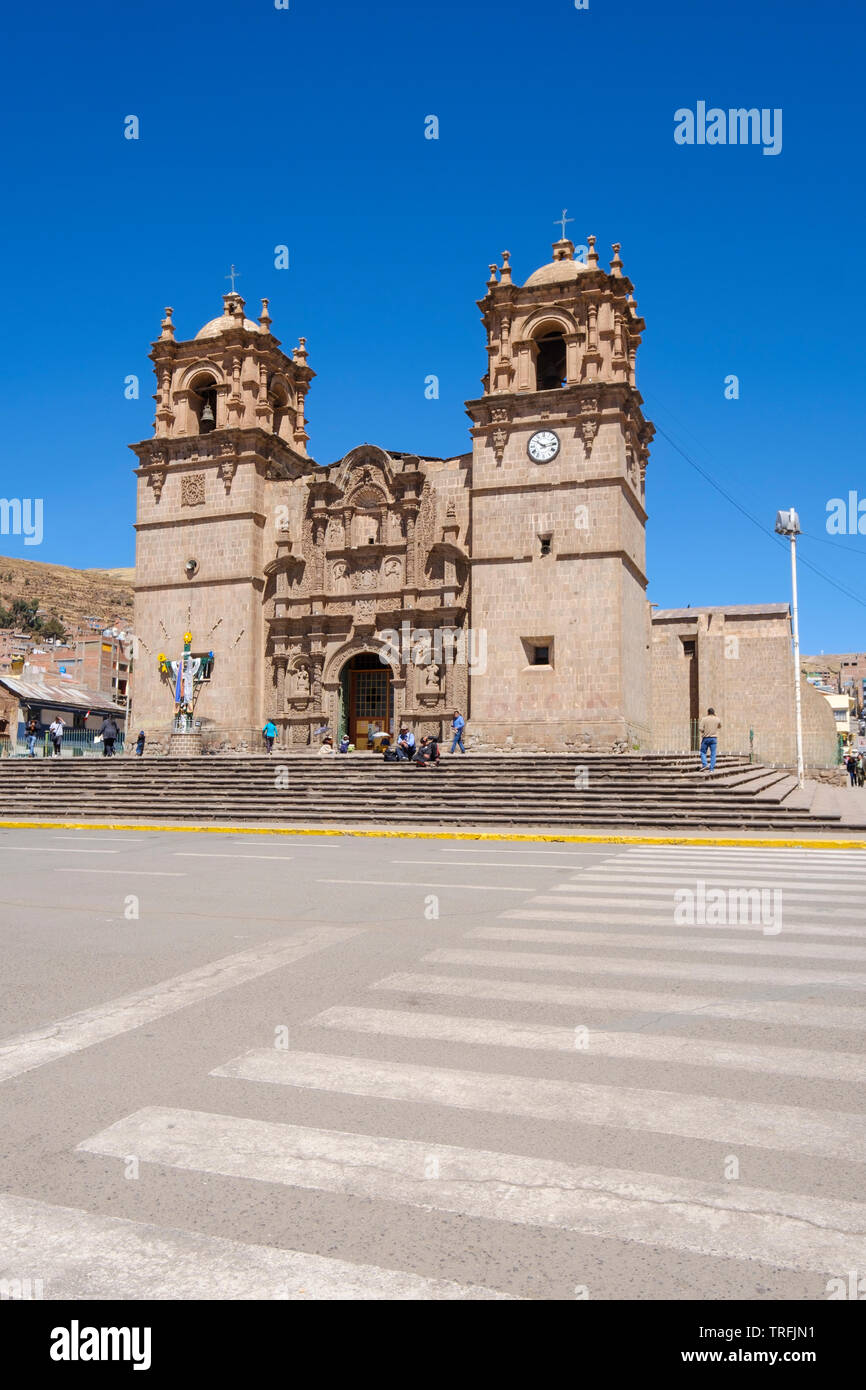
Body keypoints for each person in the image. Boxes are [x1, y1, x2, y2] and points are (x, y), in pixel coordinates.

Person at [698, 707, 721, 772]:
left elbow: (700, 728)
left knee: (703, 752)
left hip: (706, 738)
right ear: (714, 713)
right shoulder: (717, 719)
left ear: (708, 712)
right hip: (714, 738)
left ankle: (705, 764)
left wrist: (704, 731)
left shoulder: (704, 719)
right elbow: (719, 726)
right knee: (713, 754)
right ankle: (711, 769)